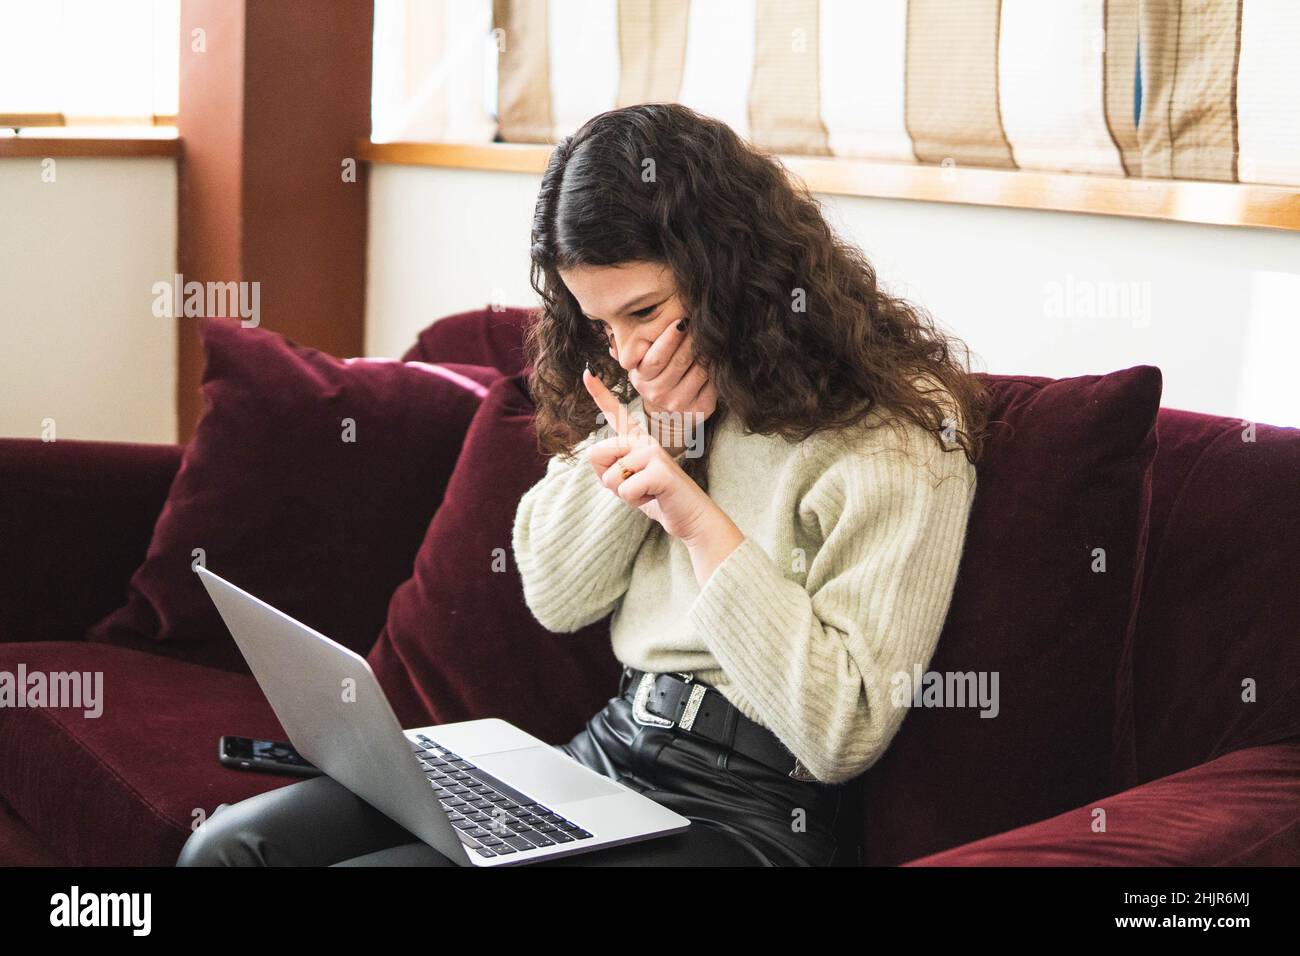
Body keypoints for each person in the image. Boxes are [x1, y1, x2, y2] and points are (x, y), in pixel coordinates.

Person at [177, 102, 988, 868]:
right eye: (602, 325)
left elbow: (842, 729)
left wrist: (700, 524)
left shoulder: (897, 433)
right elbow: (558, 594)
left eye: (644, 313)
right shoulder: (654, 395)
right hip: (606, 754)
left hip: (747, 814)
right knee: (236, 849)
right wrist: (662, 431)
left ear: (734, 271)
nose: (627, 353)